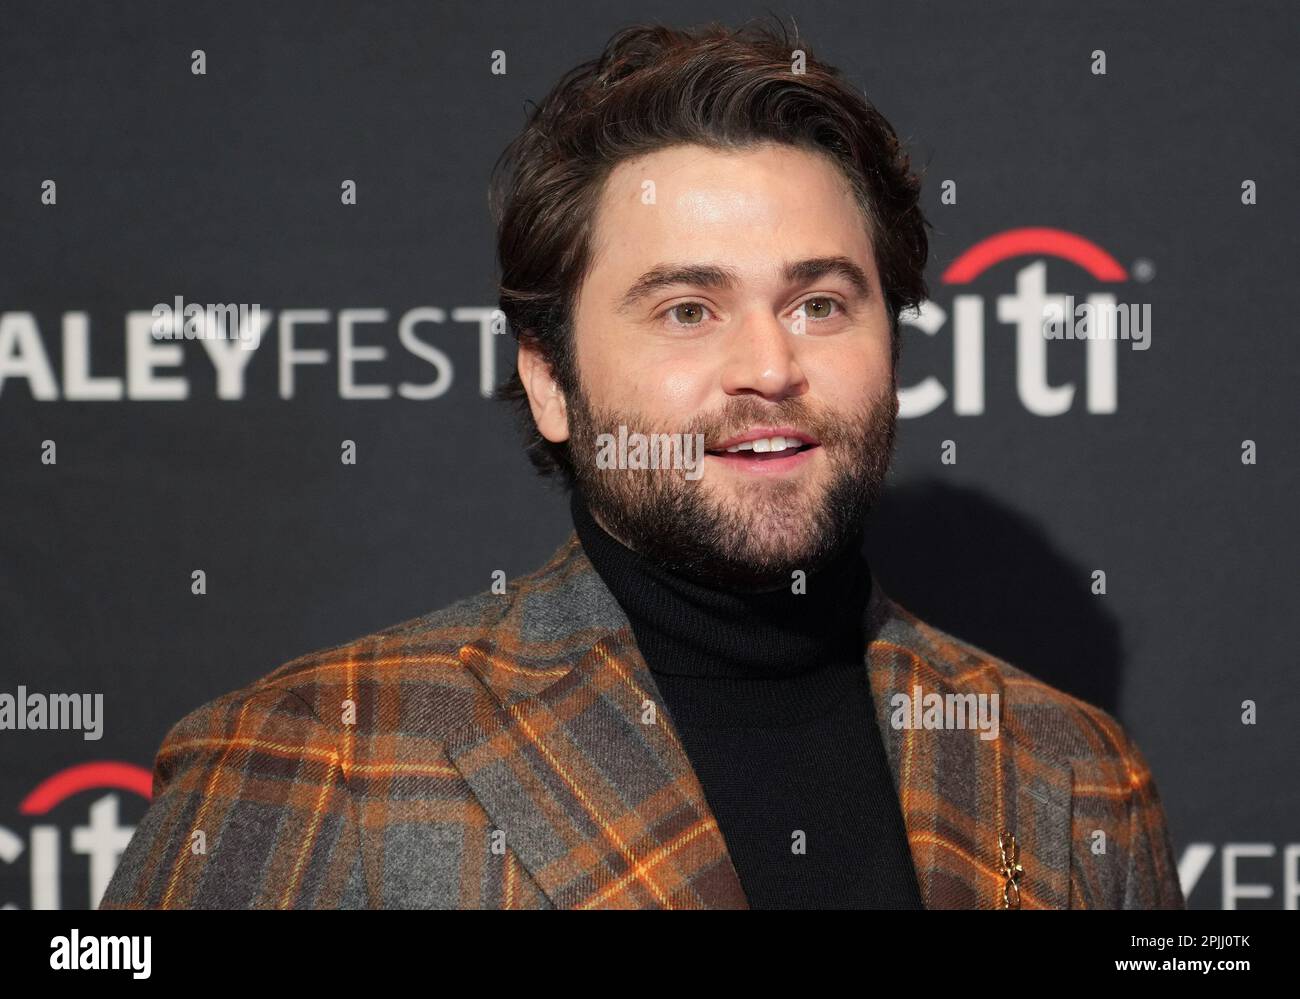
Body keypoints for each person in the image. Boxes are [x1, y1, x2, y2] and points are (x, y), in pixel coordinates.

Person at [100, 19, 1183, 910]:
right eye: (685, 309)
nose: (768, 366)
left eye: (818, 303)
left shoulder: (1073, 771)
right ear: (550, 383)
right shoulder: (309, 759)